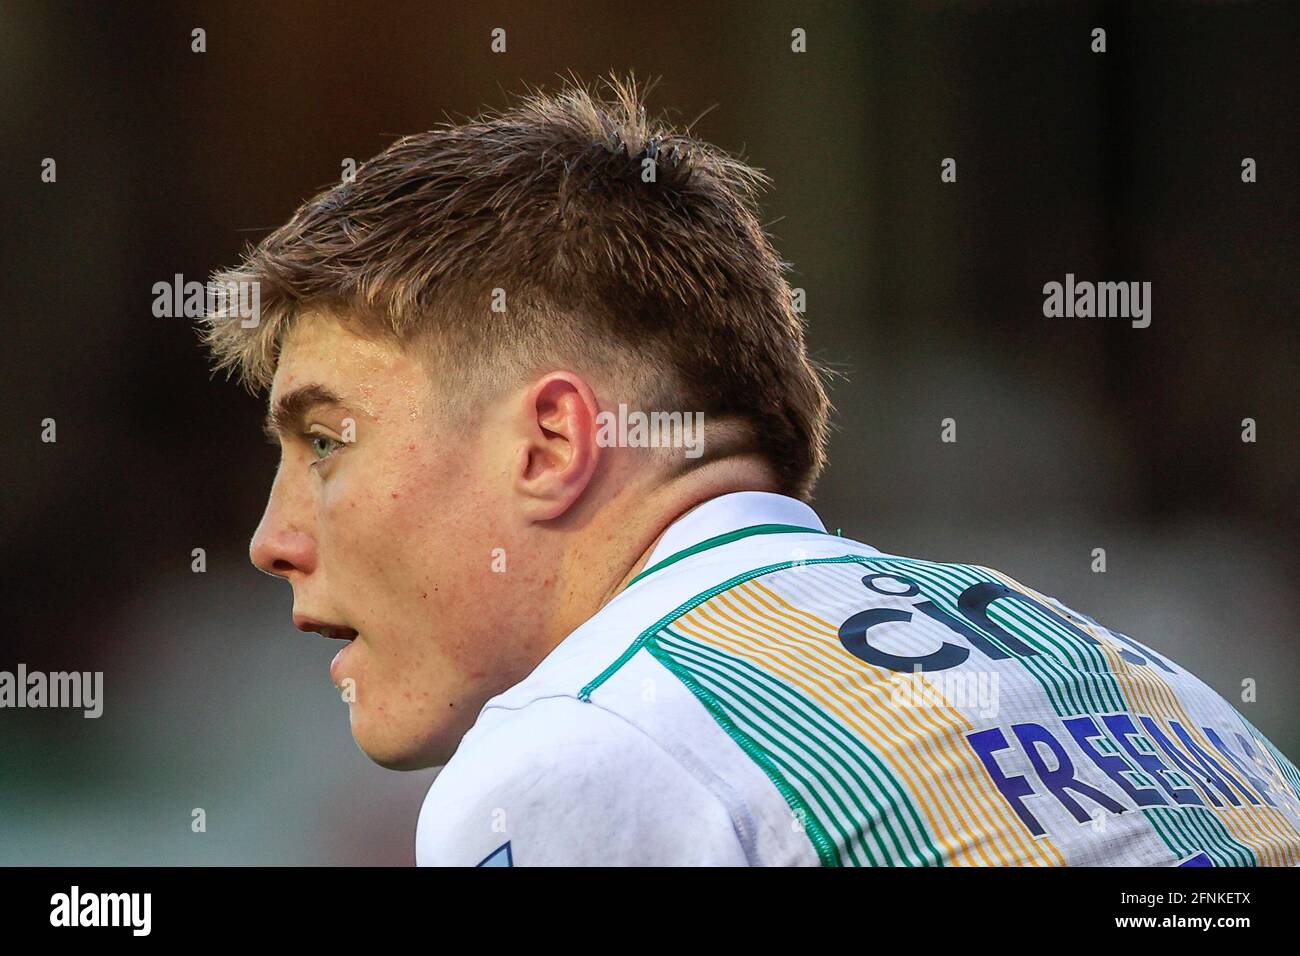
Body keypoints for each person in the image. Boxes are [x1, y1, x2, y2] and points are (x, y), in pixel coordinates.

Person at [204, 77, 1300, 866]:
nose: (273, 536)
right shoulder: (1167, 695)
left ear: (547, 446)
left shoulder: (578, 751)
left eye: (327, 441)